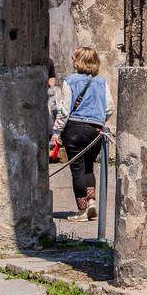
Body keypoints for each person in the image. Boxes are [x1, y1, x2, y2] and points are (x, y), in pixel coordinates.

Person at [50, 46, 114, 221]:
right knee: (88, 168)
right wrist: (98, 120)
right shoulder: (101, 82)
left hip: (75, 128)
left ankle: (82, 211)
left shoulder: (70, 81)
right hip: (95, 130)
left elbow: (64, 110)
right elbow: (109, 108)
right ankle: (92, 201)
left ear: (79, 61)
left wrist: (56, 132)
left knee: (77, 170)